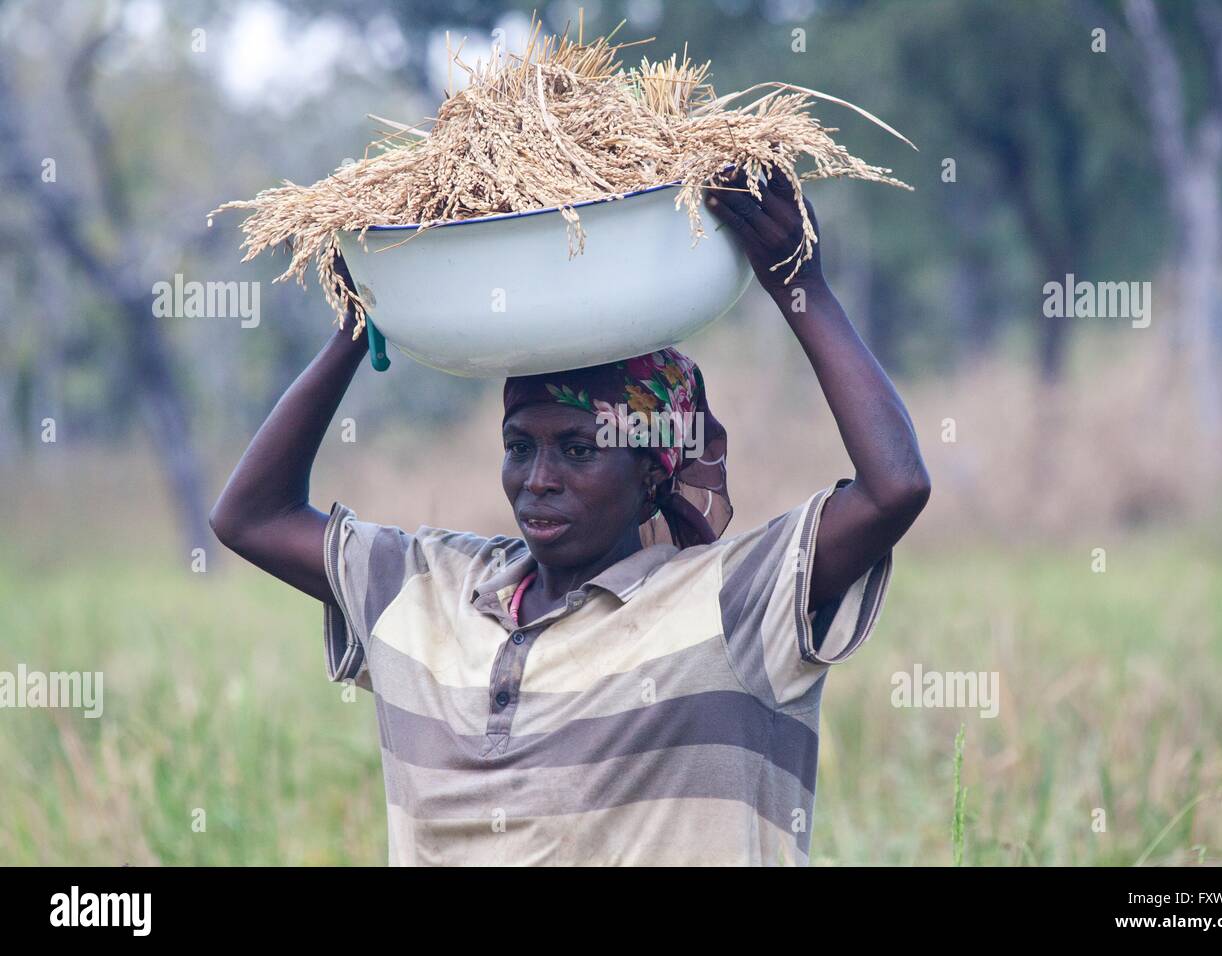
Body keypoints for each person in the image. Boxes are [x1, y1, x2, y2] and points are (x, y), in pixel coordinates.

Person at [209, 169, 930, 865]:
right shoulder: (427, 588)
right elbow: (250, 516)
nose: (538, 480)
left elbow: (893, 489)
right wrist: (356, 327)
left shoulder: (730, 603)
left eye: (579, 450)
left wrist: (803, 288)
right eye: (520, 447)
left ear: (652, 471)